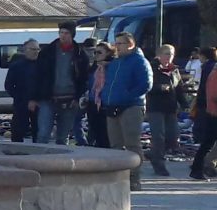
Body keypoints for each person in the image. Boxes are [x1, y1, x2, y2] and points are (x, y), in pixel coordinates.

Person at [101, 33, 151, 189]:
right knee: (115, 145)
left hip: (131, 106)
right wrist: (105, 98)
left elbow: (145, 84)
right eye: (115, 43)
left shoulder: (139, 61)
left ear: (130, 45)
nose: (116, 47)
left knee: (132, 144)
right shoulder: (115, 63)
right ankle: (118, 178)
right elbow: (109, 83)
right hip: (112, 106)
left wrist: (126, 97)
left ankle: (134, 178)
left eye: (120, 43)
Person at [32, 23, 90, 145]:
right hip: (48, 98)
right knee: (43, 134)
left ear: (72, 35)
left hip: (70, 100)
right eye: (61, 33)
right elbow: (37, 75)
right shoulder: (47, 52)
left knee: (63, 137)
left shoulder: (80, 54)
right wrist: (34, 97)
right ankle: (39, 157)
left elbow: (84, 79)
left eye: (66, 33)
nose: (63, 36)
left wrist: (77, 97)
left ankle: (61, 157)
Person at [147, 43, 183, 178]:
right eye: (167, 54)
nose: (169, 57)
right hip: (155, 107)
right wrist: (159, 88)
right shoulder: (152, 68)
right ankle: (159, 164)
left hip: (171, 108)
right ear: (159, 55)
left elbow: (179, 88)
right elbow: (147, 85)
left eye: (172, 54)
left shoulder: (174, 70)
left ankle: (153, 153)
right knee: (158, 136)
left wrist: (184, 103)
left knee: (173, 136)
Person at [6, 40, 41, 144]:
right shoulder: (16, 66)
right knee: (18, 131)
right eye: (33, 49)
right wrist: (23, 100)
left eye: (37, 49)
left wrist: (36, 100)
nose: (36, 52)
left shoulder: (43, 65)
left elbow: (46, 85)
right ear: (25, 50)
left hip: (39, 103)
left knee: (39, 132)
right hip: (21, 103)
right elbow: (9, 86)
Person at [192, 48, 217, 180]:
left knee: (207, 142)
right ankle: (198, 168)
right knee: (208, 143)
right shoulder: (214, 72)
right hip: (213, 112)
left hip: (210, 110)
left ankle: (197, 168)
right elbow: (213, 95)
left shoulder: (212, 70)